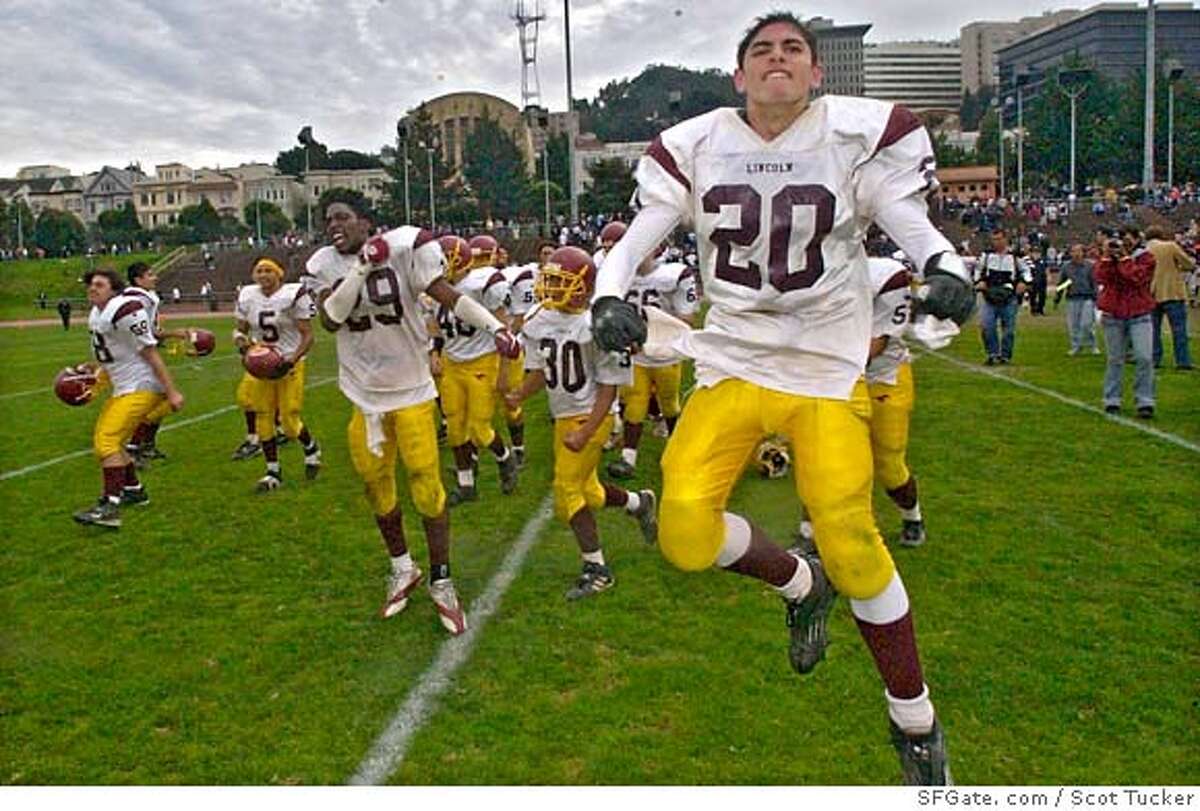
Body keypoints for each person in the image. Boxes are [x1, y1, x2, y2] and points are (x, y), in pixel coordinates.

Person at [587, 12, 974, 785]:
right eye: (761, 49)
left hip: (826, 363)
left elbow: (905, 216)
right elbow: (642, 231)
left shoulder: (852, 136)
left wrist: (943, 262)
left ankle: (914, 717)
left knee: (851, 537)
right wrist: (607, 290)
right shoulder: (699, 142)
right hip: (733, 356)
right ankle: (799, 584)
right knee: (686, 534)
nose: (777, 59)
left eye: (793, 48)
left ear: (816, 71)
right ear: (738, 76)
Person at [302, 199, 520, 634]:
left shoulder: (405, 246)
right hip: (364, 396)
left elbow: (448, 296)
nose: (333, 226)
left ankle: (442, 579)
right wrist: (362, 267)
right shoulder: (324, 264)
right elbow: (330, 319)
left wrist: (496, 328)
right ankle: (403, 567)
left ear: (366, 221)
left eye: (342, 217)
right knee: (375, 483)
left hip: (413, 389)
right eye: (327, 220)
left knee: (425, 483)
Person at [505, 246, 658, 598]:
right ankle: (639, 504)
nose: (551, 289)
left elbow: (609, 388)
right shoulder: (540, 318)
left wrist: (588, 429)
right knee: (588, 490)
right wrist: (519, 394)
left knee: (567, 492)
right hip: (563, 415)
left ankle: (597, 568)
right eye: (550, 280)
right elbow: (545, 369)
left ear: (583, 287)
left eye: (560, 282)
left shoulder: (599, 326)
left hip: (592, 414)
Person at [73, 269, 184, 529]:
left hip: (142, 384)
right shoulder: (97, 313)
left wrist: (171, 391)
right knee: (112, 440)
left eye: (99, 284)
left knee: (107, 442)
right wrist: (93, 368)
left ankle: (109, 506)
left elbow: (150, 352)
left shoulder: (125, 309)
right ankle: (134, 489)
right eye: (90, 284)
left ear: (114, 288)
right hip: (123, 385)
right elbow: (114, 353)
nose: (92, 288)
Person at [434, 233, 520, 506]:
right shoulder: (436, 289)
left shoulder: (484, 283)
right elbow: (434, 326)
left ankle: (505, 459)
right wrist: (433, 353)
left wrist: (505, 370)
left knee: (480, 429)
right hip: (452, 363)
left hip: (482, 361)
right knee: (456, 429)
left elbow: (503, 330)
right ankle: (466, 485)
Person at [606, 247, 699, 480]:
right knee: (635, 400)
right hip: (637, 353)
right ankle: (628, 459)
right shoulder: (620, 277)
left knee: (669, 403)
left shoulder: (673, 275)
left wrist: (655, 328)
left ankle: (677, 452)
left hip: (664, 352)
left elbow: (687, 319)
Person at [233, 257, 322, 492]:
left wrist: (291, 359)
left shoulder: (293, 294)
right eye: (259, 271)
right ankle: (273, 471)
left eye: (268, 271)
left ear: (279, 274)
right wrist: (243, 345)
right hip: (261, 363)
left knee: (290, 421)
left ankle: (311, 448)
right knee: (263, 415)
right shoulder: (248, 295)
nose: (263, 275)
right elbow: (239, 330)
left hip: (288, 362)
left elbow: (308, 335)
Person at [123, 261, 195, 462]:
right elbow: (145, 332)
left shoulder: (139, 297)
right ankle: (135, 445)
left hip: (137, 353)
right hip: (136, 357)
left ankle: (145, 444)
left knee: (159, 397)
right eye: (150, 274)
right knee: (154, 400)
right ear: (138, 279)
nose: (154, 277)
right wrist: (175, 333)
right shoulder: (140, 299)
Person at [497, 241, 550, 468]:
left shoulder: (565, 273)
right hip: (528, 332)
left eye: (552, 252)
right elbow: (518, 314)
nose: (548, 256)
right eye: (545, 252)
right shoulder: (523, 276)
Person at [1096, 228, 1157, 418]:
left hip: (1139, 313)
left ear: (1138, 240)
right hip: (1113, 313)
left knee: (1144, 357)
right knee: (1115, 359)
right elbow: (1101, 277)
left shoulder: (1147, 258)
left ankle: (1145, 400)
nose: (1123, 244)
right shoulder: (1108, 260)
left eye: (1127, 240)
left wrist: (1124, 259)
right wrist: (1107, 257)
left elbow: (1136, 278)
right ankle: (1111, 399)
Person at [973, 228, 1031, 365]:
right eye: (994, 239)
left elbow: (1027, 271)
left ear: (1005, 239)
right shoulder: (986, 256)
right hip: (989, 296)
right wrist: (979, 281)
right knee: (987, 326)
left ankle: (1005, 355)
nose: (996, 242)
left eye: (999, 239)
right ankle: (992, 353)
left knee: (1008, 329)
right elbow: (977, 270)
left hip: (1009, 296)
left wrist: (1023, 283)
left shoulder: (1017, 256)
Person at [1145, 226, 1194, 370]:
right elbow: (1188, 264)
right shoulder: (1170, 246)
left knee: (1153, 330)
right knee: (1179, 330)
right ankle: (1182, 361)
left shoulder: (1144, 250)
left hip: (1152, 293)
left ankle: (1155, 359)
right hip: (1172, 292)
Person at [1058, 244, 1100, 355]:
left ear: (1083, 253)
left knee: (1087, 324)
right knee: (1073, 325)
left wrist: (1096, 297)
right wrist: (1058, 296)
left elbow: (1094, 282)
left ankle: (1092, 344)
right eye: (1073, 251)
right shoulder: (1066, 267)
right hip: (1072, 298)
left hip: (1087, 297)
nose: (1075, 254)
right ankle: (1076, 346)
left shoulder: (1090, 266)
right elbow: (1062, 283)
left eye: (1078, 251)